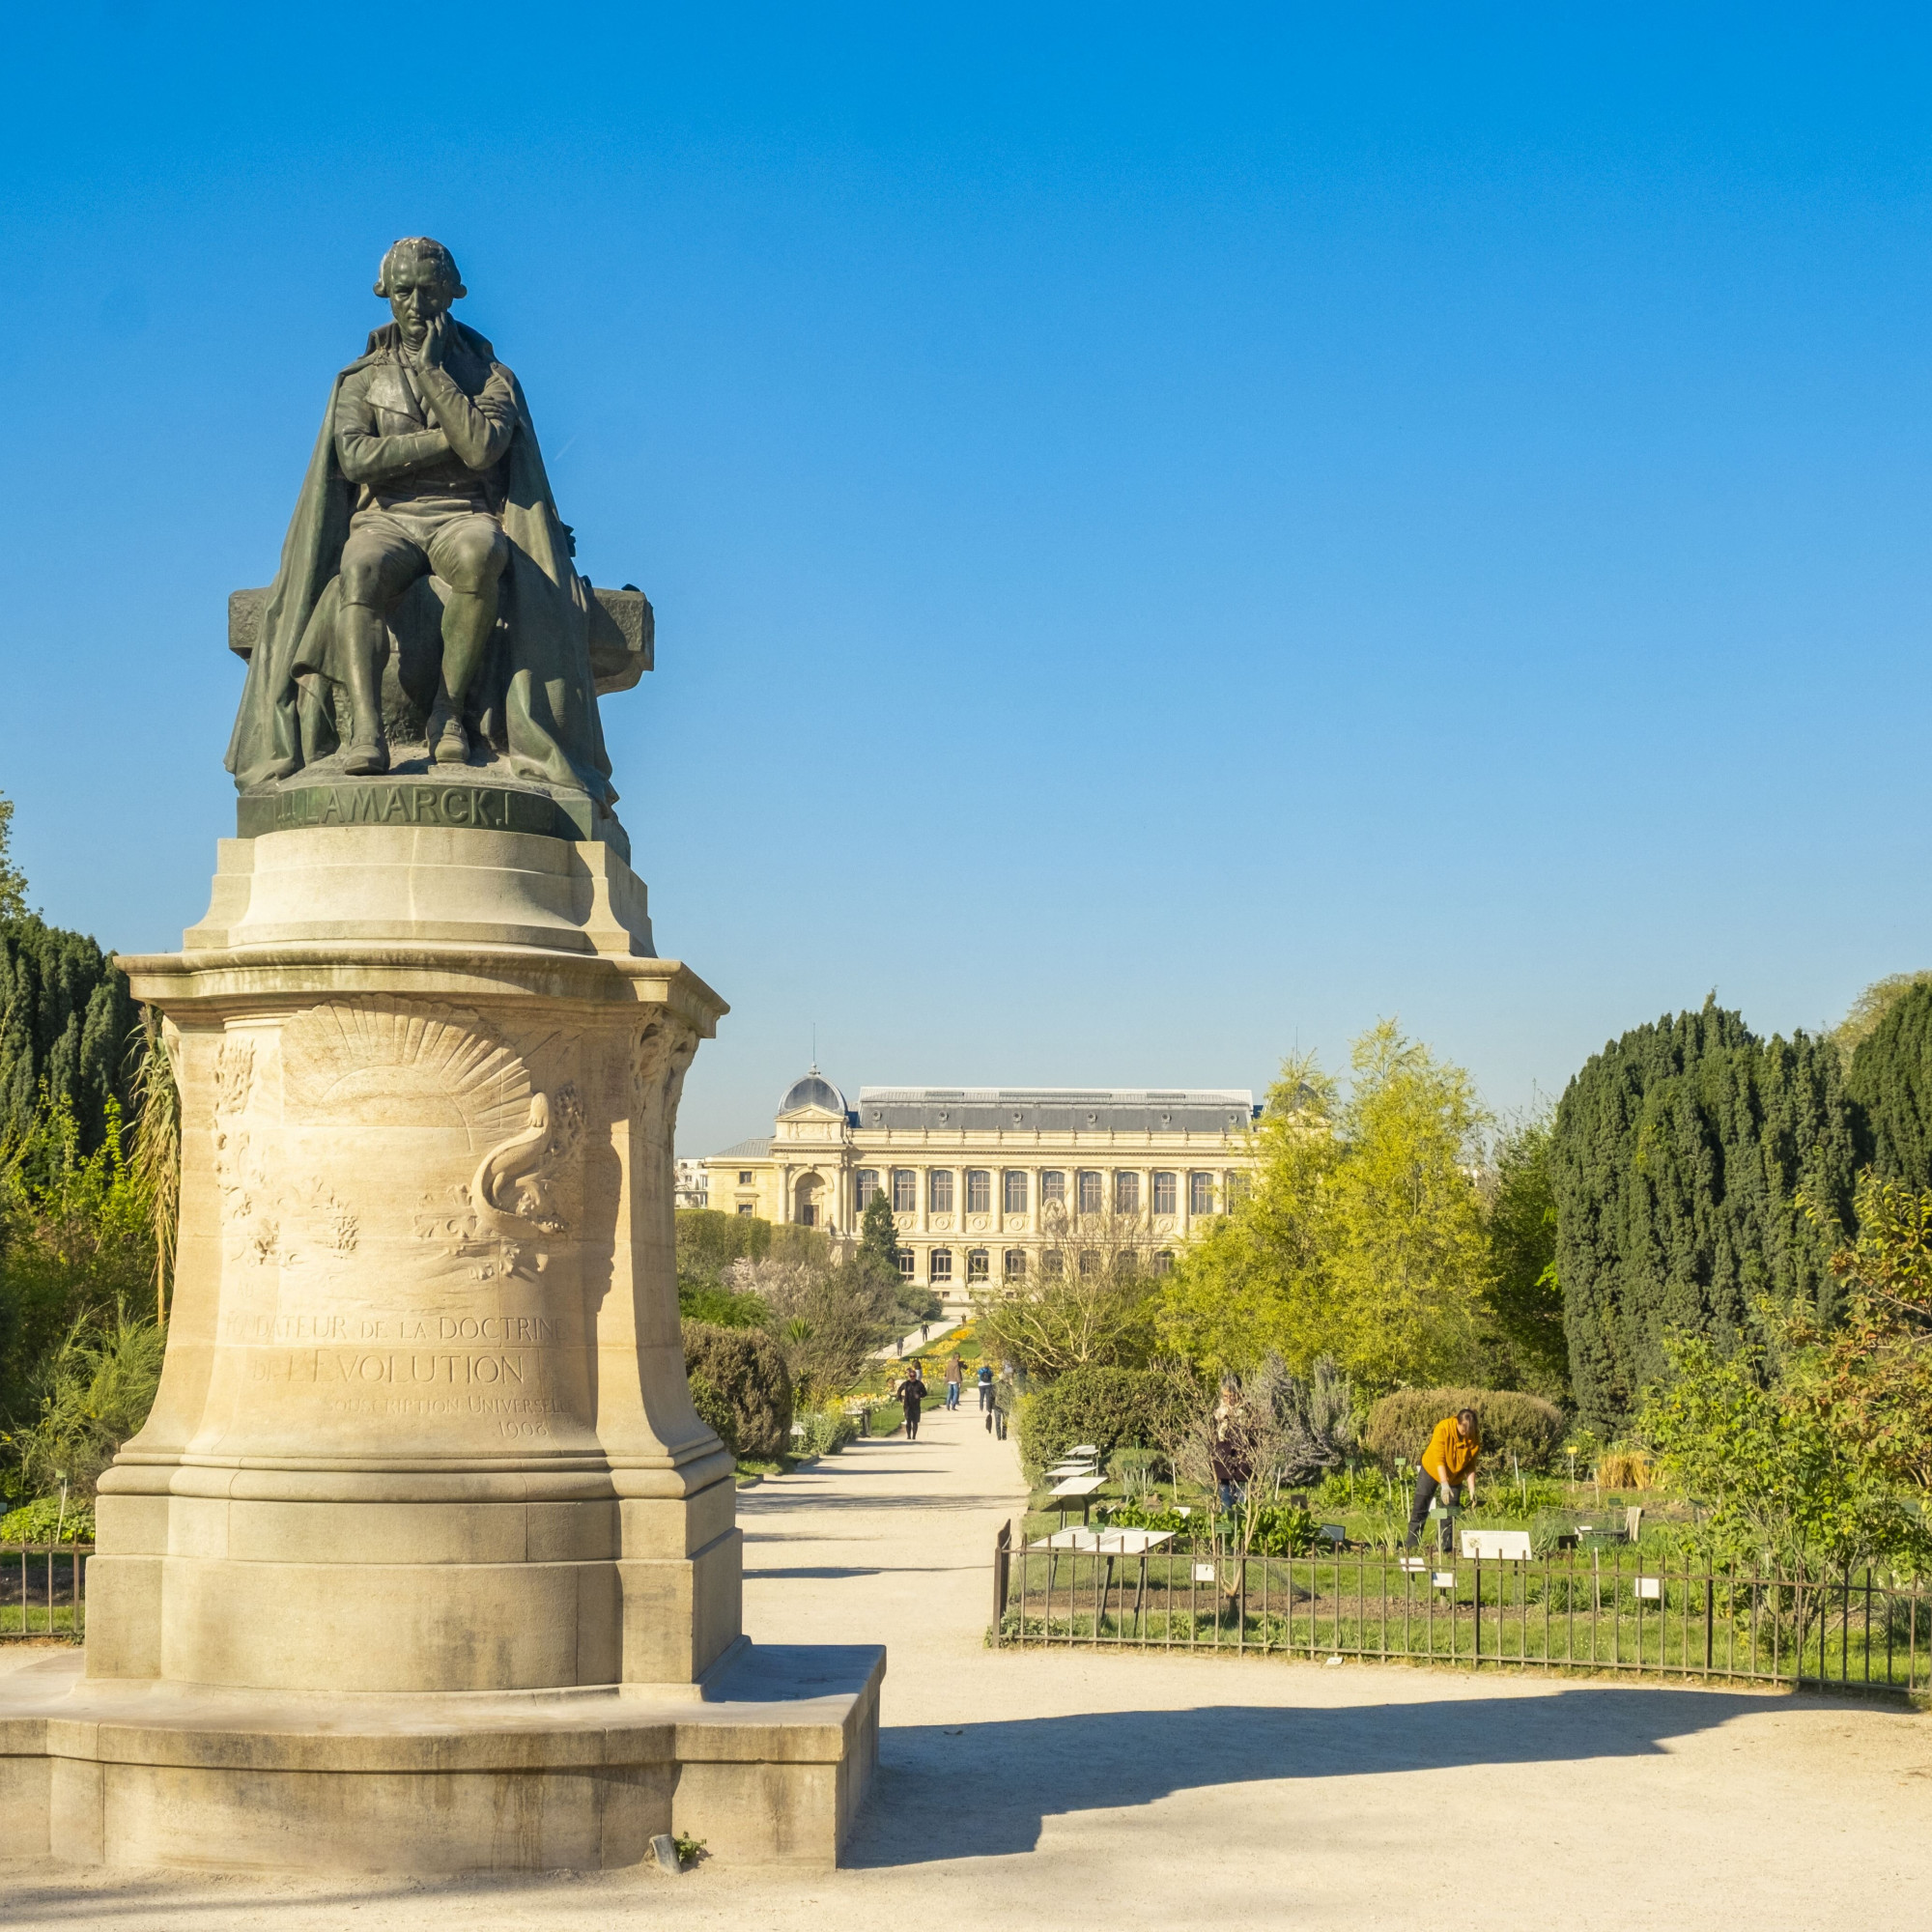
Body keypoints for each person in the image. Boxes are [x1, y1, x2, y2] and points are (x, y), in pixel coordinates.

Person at [1405, 1407, 1481, 1551]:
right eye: (1464, 1430)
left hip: (1455, 1476)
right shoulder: (1443, 1428)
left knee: (1449, 1512)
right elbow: (1439, 1459)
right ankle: (1412, 1545)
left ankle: (1445, 1548)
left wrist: (1472, 1488)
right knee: (1421, 1505)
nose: (1467, 1433)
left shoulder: (1474, 1436)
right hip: (1432, 1469)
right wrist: (1444, 1484)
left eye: (1470, 1430)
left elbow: (1471, 1465)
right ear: (1457, 1422)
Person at [895, 1361, 928, 1441]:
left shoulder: (919, 1384)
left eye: (913, 1376)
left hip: (916, 1405)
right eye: (911, 1376)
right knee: (908, 1421)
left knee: (915, 1422)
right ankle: (909, 1436)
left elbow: (925, 1393)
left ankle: (914, 1436)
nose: (912, 1377)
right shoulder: (906, 1384)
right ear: (909, 1376)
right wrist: (899, 1398)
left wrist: (919, 1396)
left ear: (915, 1376)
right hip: (907, 1405)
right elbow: (899, 1390)